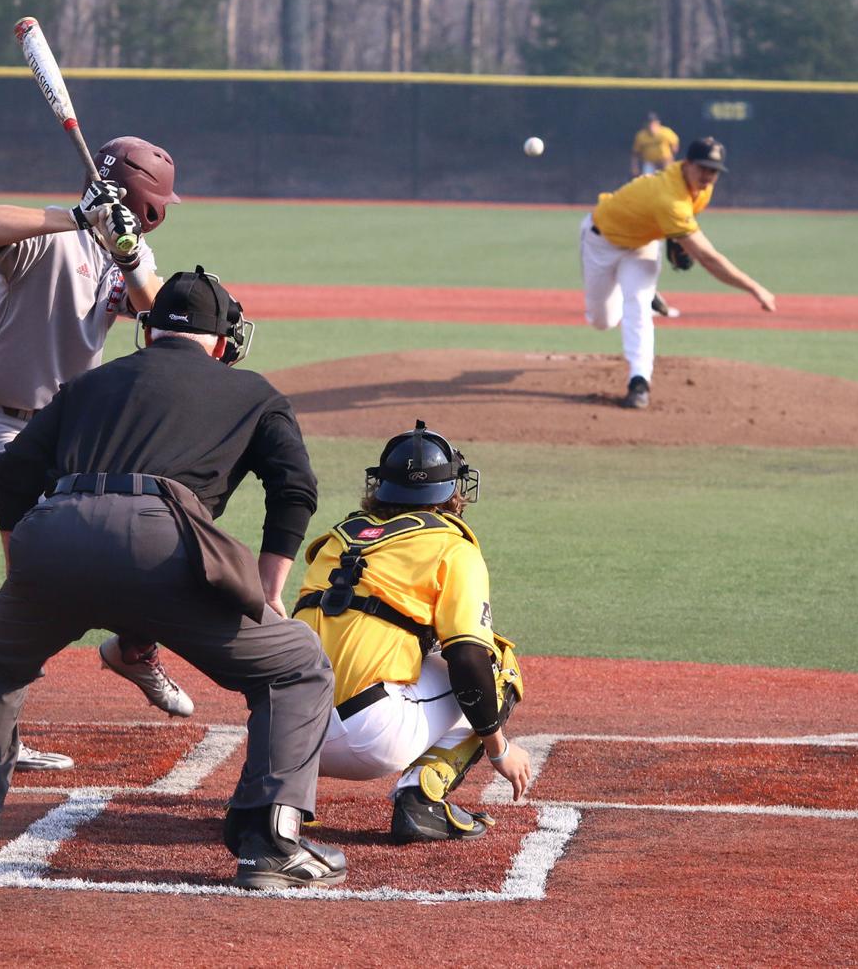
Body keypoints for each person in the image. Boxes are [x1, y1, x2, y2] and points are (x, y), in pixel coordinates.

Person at [0, 267, 346, 890]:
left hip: (57, 530)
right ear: (225, 340)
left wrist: (23, 567)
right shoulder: (253, 392)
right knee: (296, 667)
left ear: (147, 333)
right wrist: (270, 589)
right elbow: (294, 489)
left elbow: (15, 471)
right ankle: (268, 844)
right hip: (165, 540)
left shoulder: (88, 383)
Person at [0, 136, 192, 771]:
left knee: (137, 531)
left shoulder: (124, 244)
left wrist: (130, 251)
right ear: (148, 200)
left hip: (70, 440)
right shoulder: (48, 238)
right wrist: (74, 218)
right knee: (41, 571)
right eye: (157, 204)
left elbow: (161, 315)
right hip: (0, 427)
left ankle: (133, 647)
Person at [293, 421, 531, 843]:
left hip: (284, 738)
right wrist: (500, 749)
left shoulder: (334, 541)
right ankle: (422, 793)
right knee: (496, 663)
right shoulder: (451, 547)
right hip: (368, 738)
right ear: (452, 493)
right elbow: (468, 660)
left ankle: (284, 799)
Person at [580, 136, 777, 410]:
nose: (708, 176)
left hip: (642, 246)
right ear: (687, 165)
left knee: (637, 304)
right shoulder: (668, 197)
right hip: (601, 241)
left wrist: (675, 236)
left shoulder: (701, 188)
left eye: (714, 170)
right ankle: (642, 295)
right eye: (703, 168)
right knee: (602, 321)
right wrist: (755, 288)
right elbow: (708, 259)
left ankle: (639, 382)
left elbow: (685, 216)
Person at [630, 111, 679, 177]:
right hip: (649, 163)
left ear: (658, 123)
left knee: (667, 178)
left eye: (653, 123)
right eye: (649, 123)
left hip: (664, 162)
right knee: (647, 179)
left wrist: (671, 158)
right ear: (645, 124)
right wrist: (635, 168)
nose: (651, 126)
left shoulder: (666, 132)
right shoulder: (641, 136)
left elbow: (675, 144)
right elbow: (635, 153)